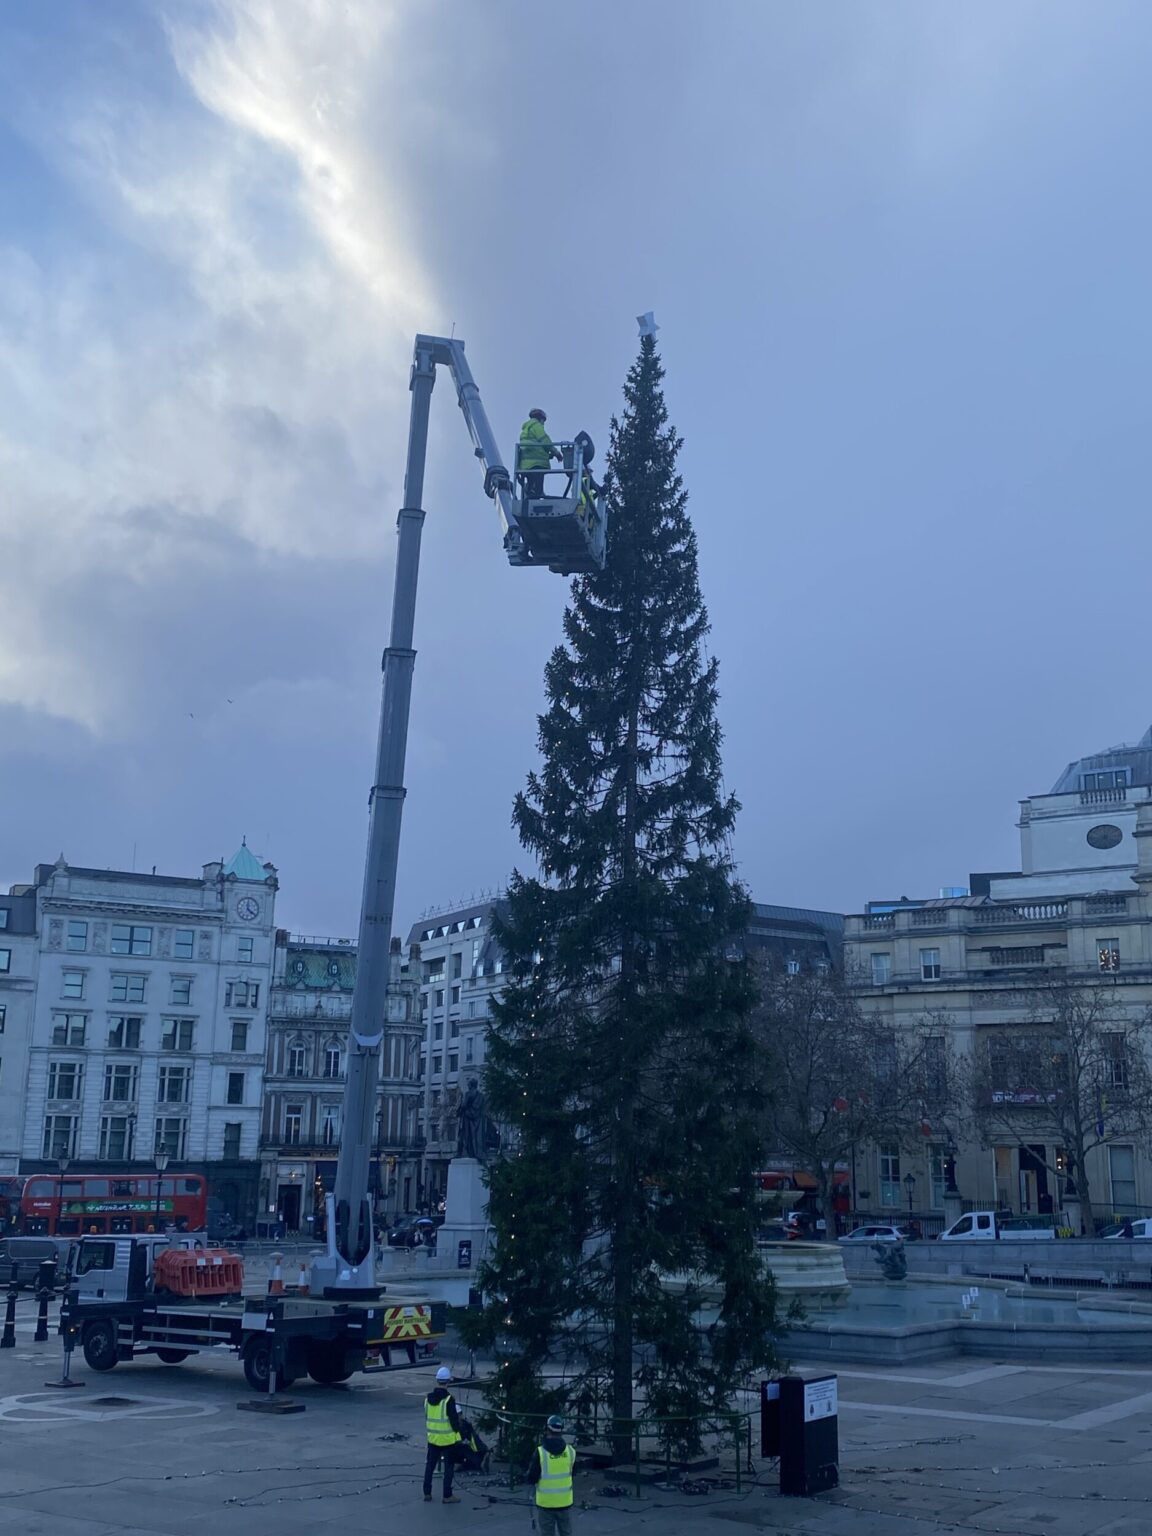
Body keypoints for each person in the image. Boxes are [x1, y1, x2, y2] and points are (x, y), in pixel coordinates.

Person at [527, 1414, 576, 1536]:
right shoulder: (570, 1451)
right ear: (561, 1430)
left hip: (546, 1504)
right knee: (566, 1533)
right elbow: (573, 1472)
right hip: (564, 1503)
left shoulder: (540, 1452)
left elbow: (531, 1478)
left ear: (547, 1430)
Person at [423, 1365, 462, 1504]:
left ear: (437, 1381)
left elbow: (427, 1417)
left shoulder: (428, 1399)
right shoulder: (448, 1400)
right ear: (448, 1382)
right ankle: (447, 1495)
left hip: (433, 1438)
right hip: (447, 1440)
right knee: (449, 1468)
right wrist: (459, 1431)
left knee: (430, 1466)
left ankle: (427, 1492)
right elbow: (454, 1421)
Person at [518, 408, 561, 499]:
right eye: (543, 420)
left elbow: (534, 447)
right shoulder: (536, 426)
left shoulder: (527, 429)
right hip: (537, 462)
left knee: (531, 480)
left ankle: (531, 492)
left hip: (527, 464)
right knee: (539, 478)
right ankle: (538, 492)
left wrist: (548, 455)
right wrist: (556, 453)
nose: (543, 423)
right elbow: (545, 441)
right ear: (540, 418)